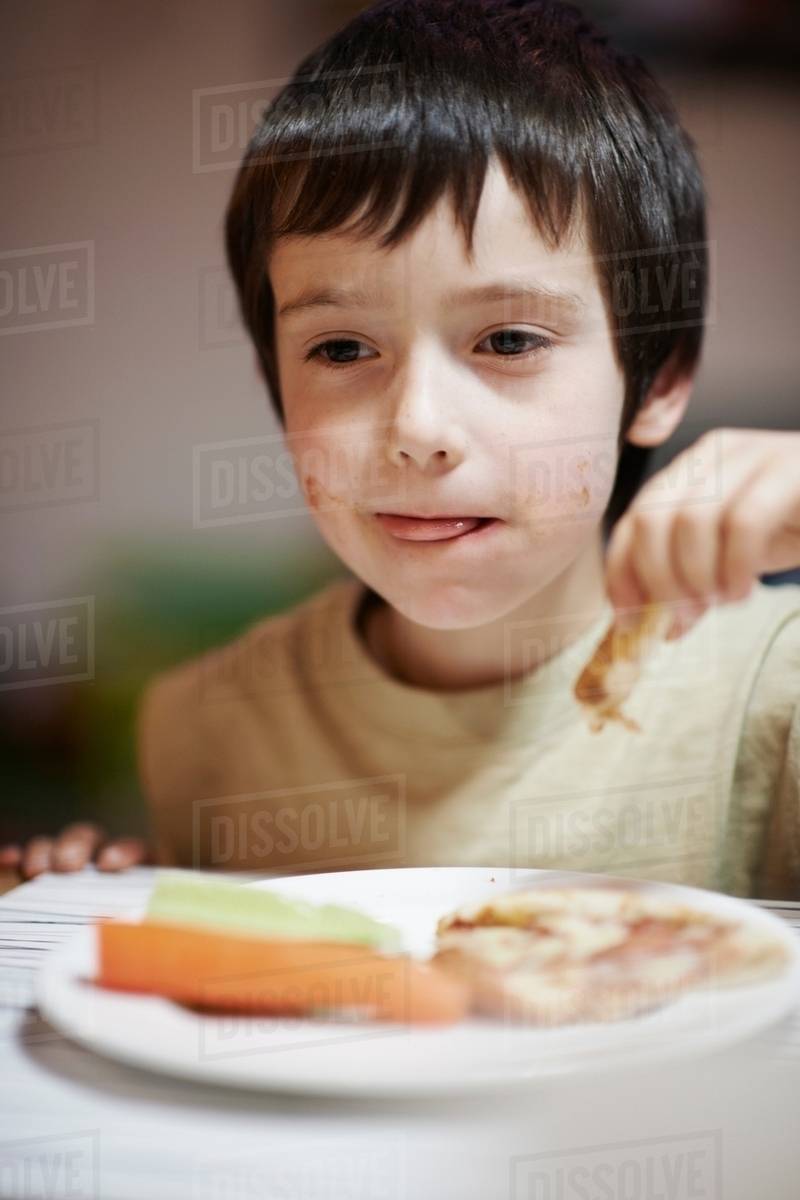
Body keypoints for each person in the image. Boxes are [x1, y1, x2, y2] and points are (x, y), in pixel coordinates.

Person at [4, 0, 800, 896]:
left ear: (657, 381)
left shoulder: (771, 691)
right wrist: (86, 896)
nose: (417, 429)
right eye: (342, 349)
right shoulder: (204, 723)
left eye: (507, 341)